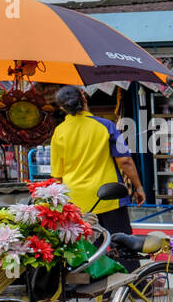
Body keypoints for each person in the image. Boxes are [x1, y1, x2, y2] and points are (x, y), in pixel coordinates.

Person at [49, 86, 145, 237]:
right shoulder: (107, 126)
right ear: (84, 98)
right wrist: (138, 188)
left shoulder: (59, 132)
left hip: (76, 200)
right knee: (122, 246)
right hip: (109, 196)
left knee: (90, 250)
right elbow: (125, 160)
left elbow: (57, 175)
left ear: (62, 107)